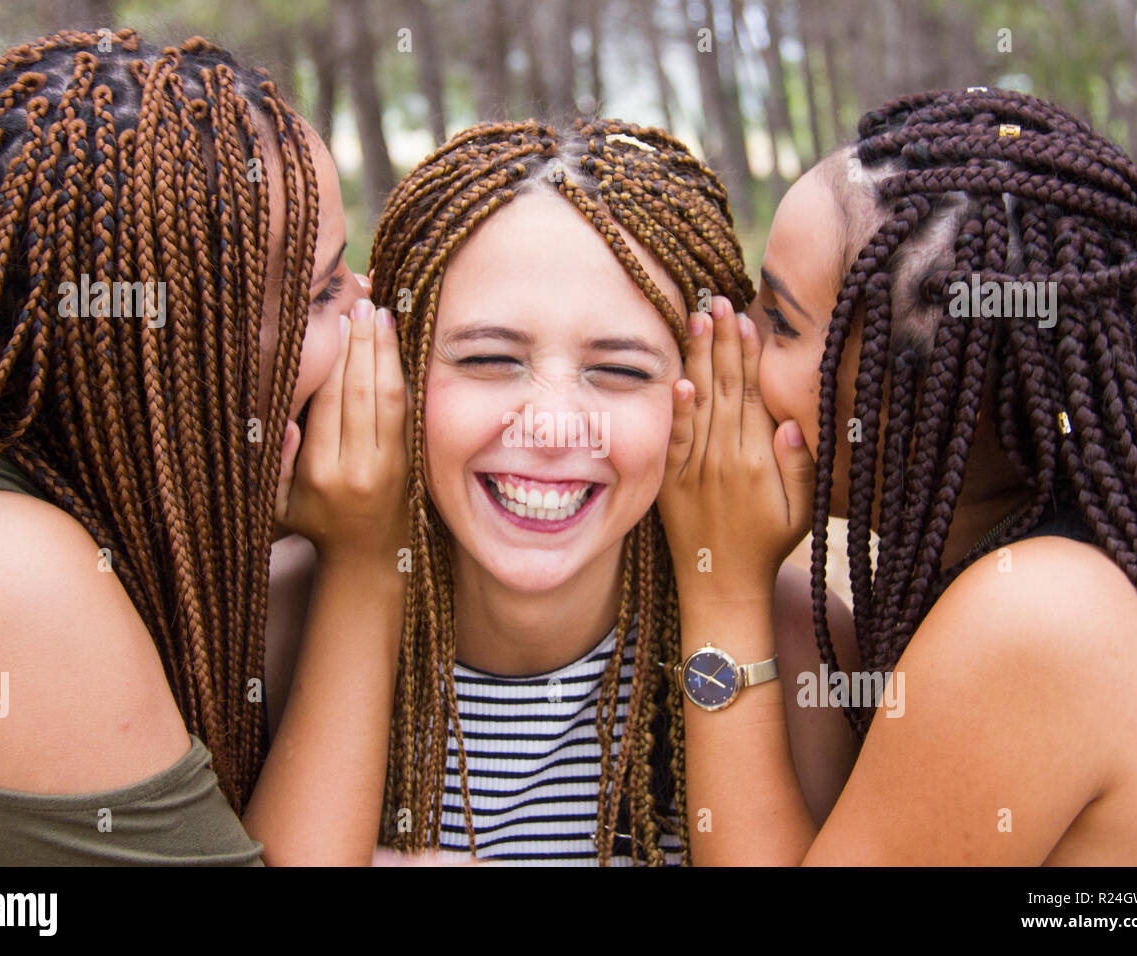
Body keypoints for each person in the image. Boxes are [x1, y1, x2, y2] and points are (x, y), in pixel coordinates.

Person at [659, 87, 1137, 863]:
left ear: (919, 395)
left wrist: (722, 595)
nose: (733, 342)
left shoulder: (1035, 616)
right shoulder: (1044, 564)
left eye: (778, 322)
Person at [0, 29, 408, 865]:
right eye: (324, 292)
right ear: (174, 355)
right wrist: (366, 561)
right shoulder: (7, 575)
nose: (365, 314)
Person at [349, 118, 855, 864]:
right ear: (394, 366)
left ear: (709, 391)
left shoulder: (796, 650)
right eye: (490, 359)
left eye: (619, 372)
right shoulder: (296, 623)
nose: (556, 429)